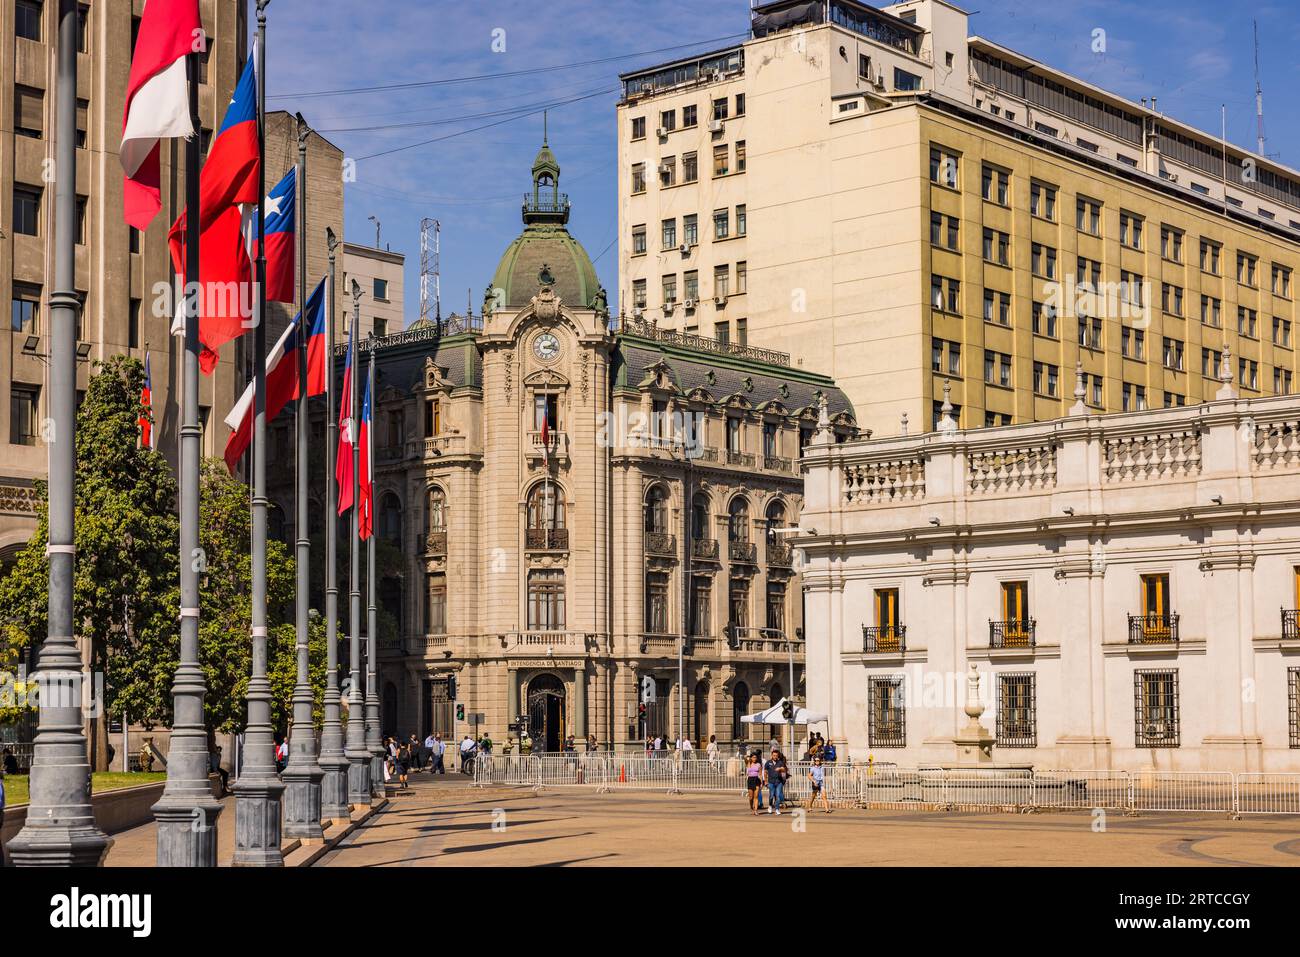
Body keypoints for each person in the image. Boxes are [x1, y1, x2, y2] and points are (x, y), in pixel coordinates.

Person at [763, 748, 787, 815]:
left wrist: (780, 769)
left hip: (779, 782)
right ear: (771, 755)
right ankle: (770, 806)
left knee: (778, 795)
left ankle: (777, 809)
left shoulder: (780, 762)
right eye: (774, 755)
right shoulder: (768, 762)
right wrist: (765, 781)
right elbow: (765, 772)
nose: (775, 757)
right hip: (771, 781)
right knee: (771, 795)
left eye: (776, 755)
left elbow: (784, 769)